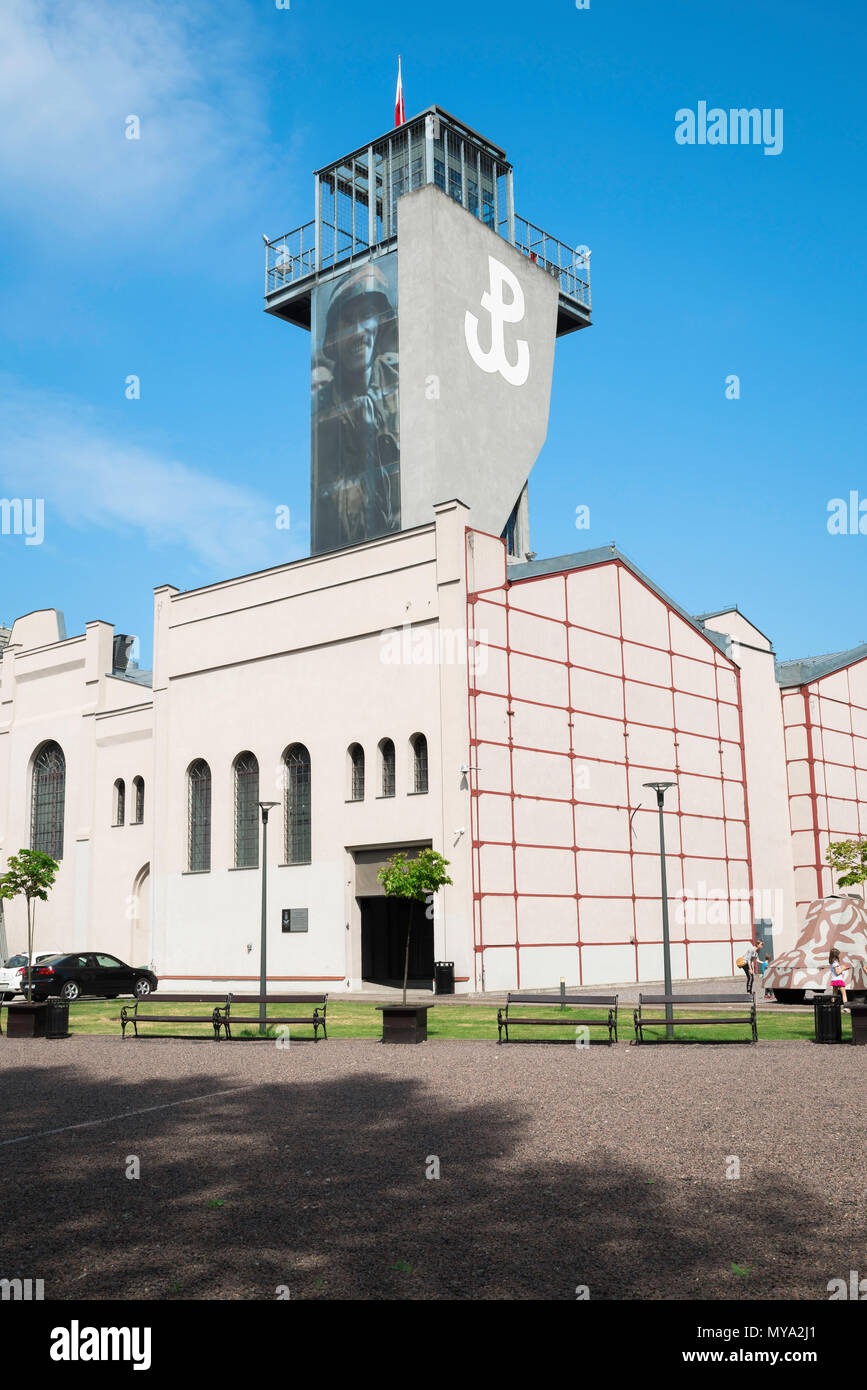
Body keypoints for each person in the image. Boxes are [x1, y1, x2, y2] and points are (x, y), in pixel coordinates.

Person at [312, 263, 400, 552]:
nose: (359, 332)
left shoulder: (404, 385)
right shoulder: (318, 415)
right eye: (348, 321)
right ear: (332, 337)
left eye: (367, 317)